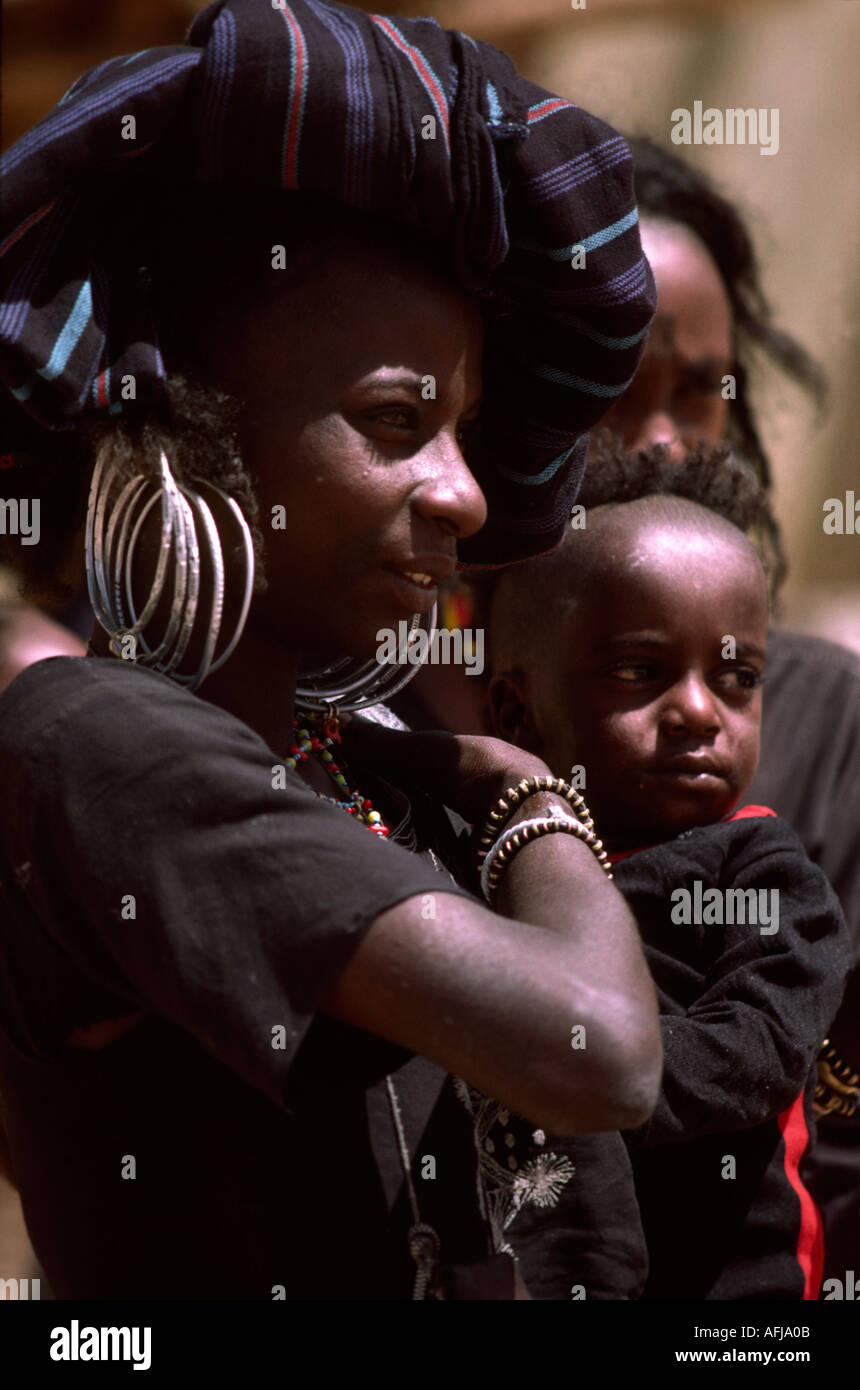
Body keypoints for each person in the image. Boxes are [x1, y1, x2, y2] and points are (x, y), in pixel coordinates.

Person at [0, 0, 660, 1300]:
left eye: (467, 432)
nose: (465, 494)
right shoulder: (92, 746)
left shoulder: (358, 773)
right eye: (397, 421)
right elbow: (600, 1052)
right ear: (199, 430)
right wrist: (521, 793)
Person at [485, 439, 851, 1299]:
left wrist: (576, 1081)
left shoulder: (764, 876)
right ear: (517, 710)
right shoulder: (502, 856)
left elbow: (760, 1049)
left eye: (737, 678)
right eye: (639, 672)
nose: (697, 710)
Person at [597, 136, 860, 1280]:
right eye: (613, 385)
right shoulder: (400, 731)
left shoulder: (825, 725)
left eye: (697, 392)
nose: (660, 439)